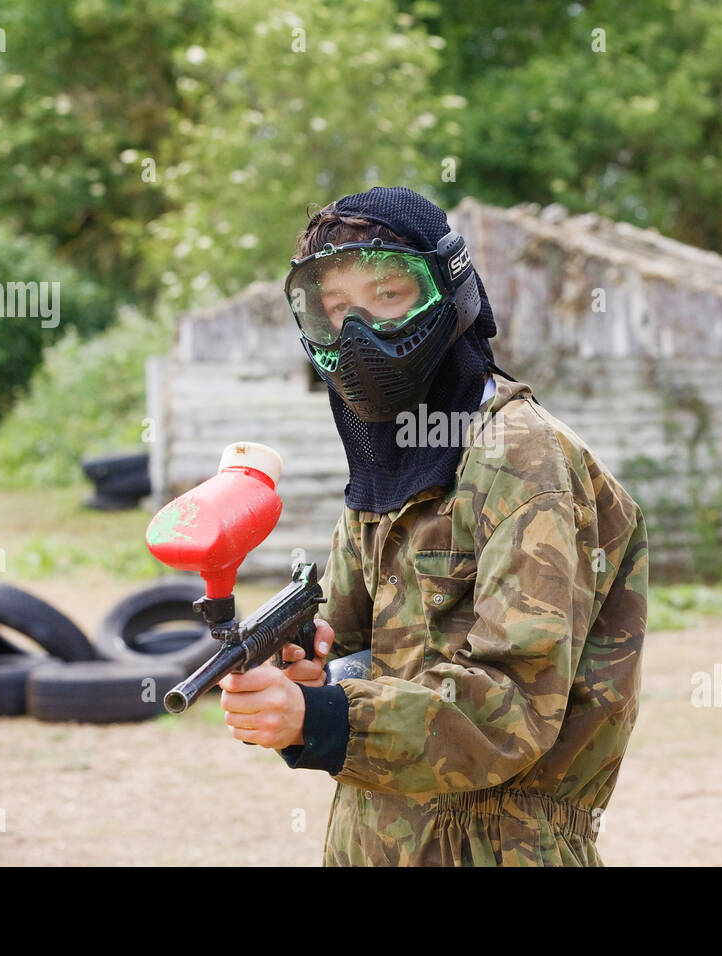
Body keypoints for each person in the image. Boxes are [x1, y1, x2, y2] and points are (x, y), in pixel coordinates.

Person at [217, 185, 648, 866]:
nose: (359, 334)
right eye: (335, 310)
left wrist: (323, 719)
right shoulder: (386, 464)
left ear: (448, 290)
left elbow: (513, 709)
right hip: (372, 837)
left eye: (388, 294)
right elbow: (362, 653)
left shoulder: (519, 454)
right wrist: (314, 671)